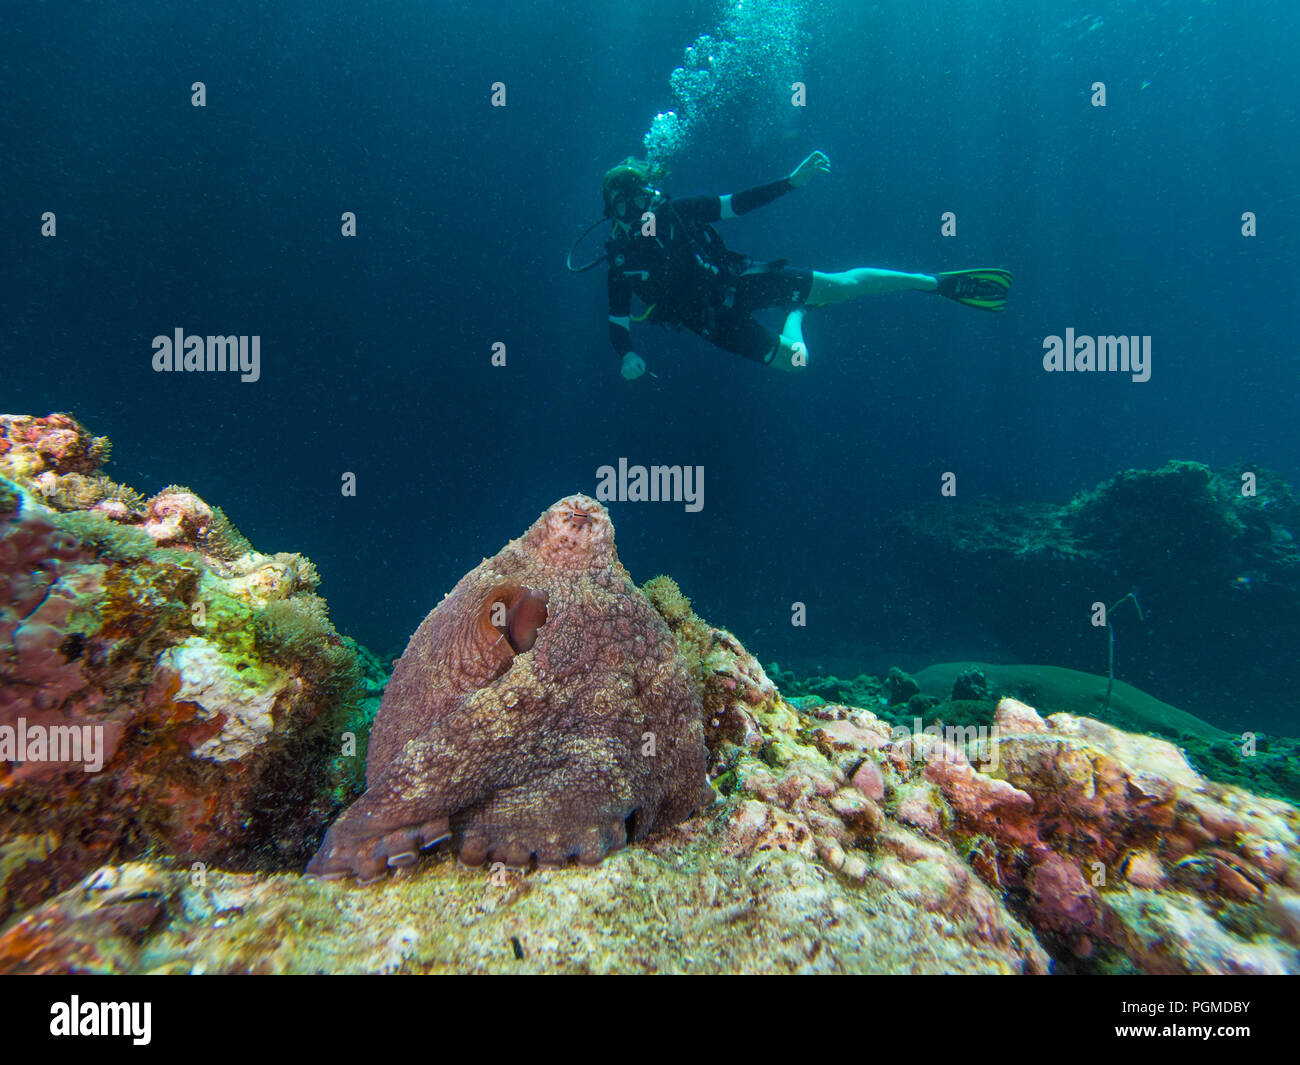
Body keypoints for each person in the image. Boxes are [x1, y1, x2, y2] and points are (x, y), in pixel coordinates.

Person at [602, 152, 1012, 379]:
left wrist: (790, 183)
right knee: (797, 362)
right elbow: (618, 322)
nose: (636, 211)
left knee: (844, 286)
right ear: (612, 214)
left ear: (649, 195)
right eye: (624, 205)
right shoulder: (619, 264)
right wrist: (626, 356)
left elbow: (735, 204)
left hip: (739, 281)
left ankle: (934, 283)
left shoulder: (675, 212)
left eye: (639, 199)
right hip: (711, 322)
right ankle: (798, 315)